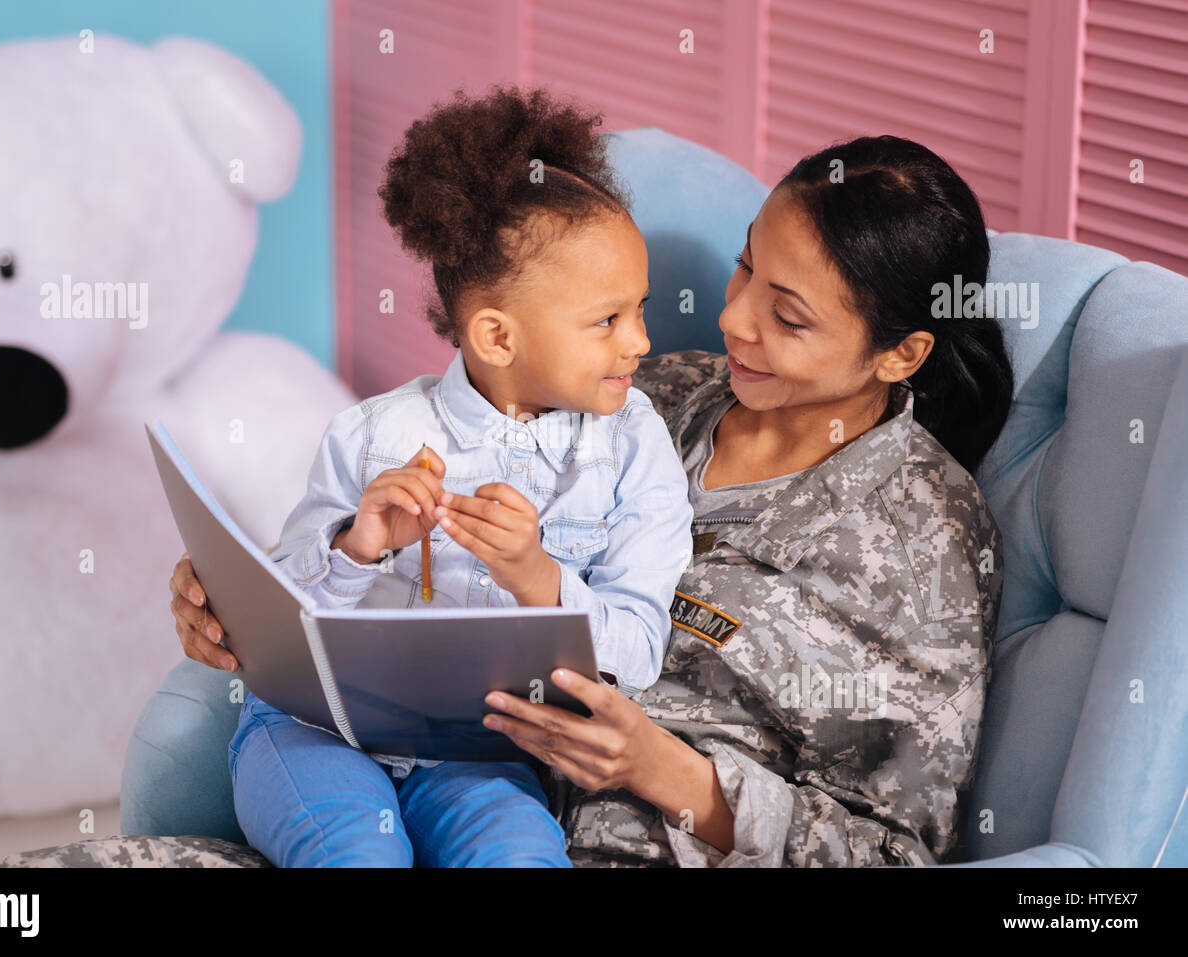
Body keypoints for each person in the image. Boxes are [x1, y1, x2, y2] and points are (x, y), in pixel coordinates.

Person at [170, 131, 1014, 867]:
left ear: (900, 353)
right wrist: (239, 595)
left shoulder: (924, 539)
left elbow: (895, 850)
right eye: (745, 266)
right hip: (399, 782)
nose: (733, 322)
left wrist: (663, 770)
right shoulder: (647, 398)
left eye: (787, 317)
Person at [221, 86, 693, 868]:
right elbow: (277, 631)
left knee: (519, 856)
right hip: (313, 732)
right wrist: (359, 544)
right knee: (351, 851)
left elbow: (638, 649)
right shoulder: (371, 434)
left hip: (478, 752)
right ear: (497, 336)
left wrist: (539, 576)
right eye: (608, 320)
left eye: (640, 308)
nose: (641, 341)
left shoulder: (634, 445)